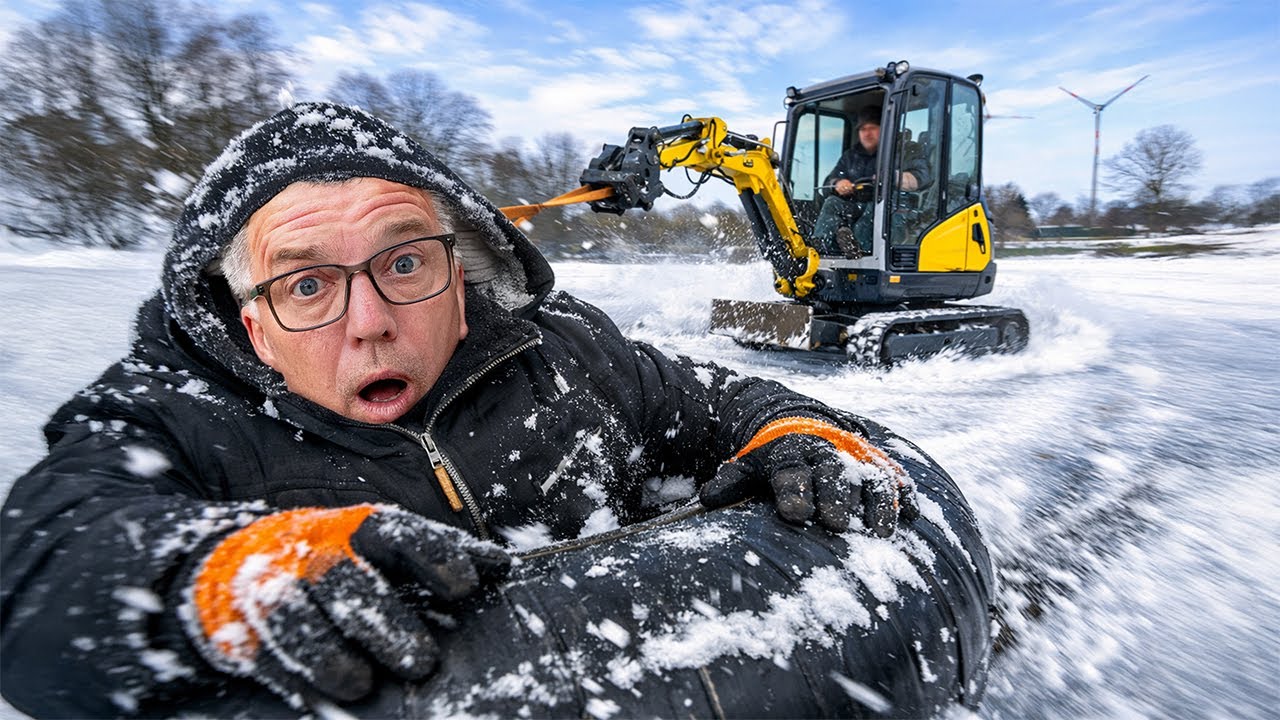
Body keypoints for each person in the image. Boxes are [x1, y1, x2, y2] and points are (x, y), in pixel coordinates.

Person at [0, 102, 920, 717]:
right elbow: (45, 553)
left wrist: (796, 435)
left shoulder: (563, 351)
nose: (371, 325)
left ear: (460, 261)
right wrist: (221, 575)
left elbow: (721, 398)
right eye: (308, 284)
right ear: (250, 321)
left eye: (403, 263)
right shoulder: (174, 412)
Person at [811, 104, 929, 257]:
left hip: (897, 207)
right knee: (832, 203)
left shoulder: (905, 151)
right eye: (863, 129)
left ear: (885, 129)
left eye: (872, 128)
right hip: (858, 205)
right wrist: (837, 184)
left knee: (874, 210)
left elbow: (921, 178)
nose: (867, 133)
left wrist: (892, 178)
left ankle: (859, 249)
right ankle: (820, 247)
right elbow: (829, 181)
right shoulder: (851, 156)